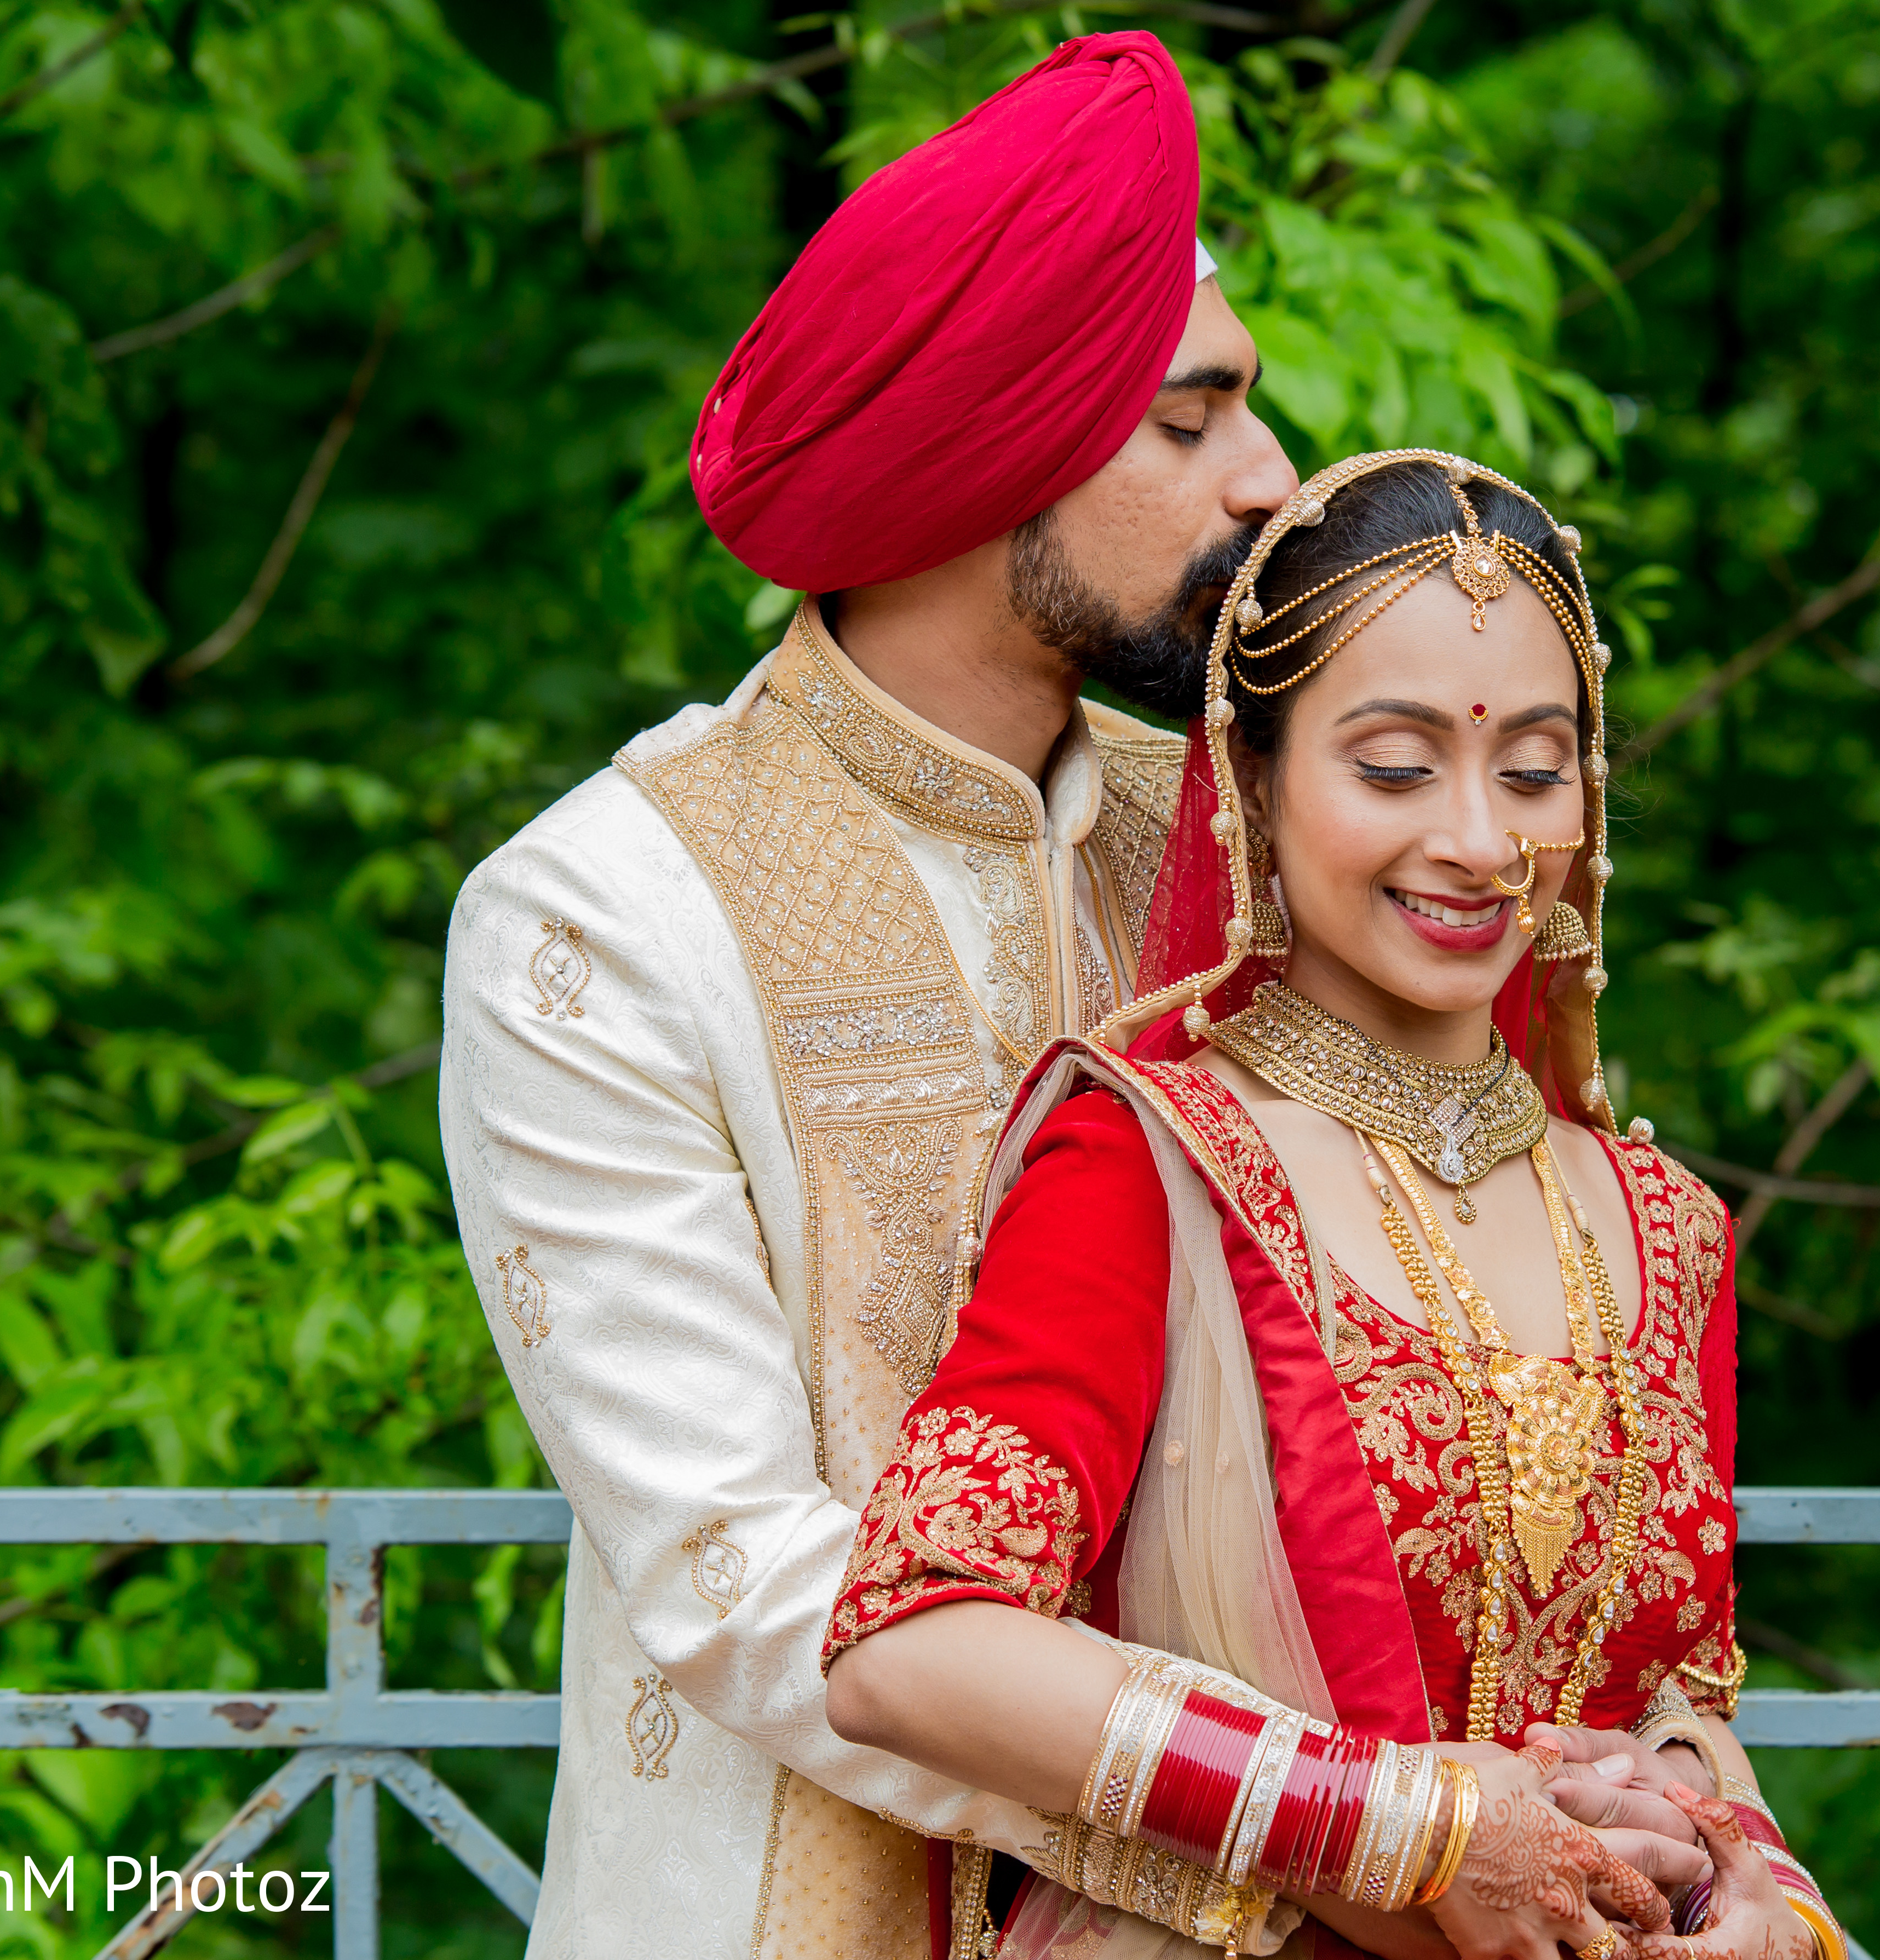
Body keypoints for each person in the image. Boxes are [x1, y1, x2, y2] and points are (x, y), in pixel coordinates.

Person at [439, 31, 1302, 1958]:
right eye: (1190, 423)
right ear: (995, 453)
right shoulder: (603, 915)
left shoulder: (1247, 850)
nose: (1272, 477)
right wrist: (1327, 1824)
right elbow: (744, 1581)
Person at [818, 452, 1849, 1960]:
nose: (1481, 842)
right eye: (1395, 767)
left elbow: (1677, 1700)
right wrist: (1406, 1827)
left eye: (1535, 770)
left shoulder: (1665, 1223)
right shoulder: (1153, 1165)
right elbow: (909, 1642)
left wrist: (1764, 1890)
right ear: (1253, 782)